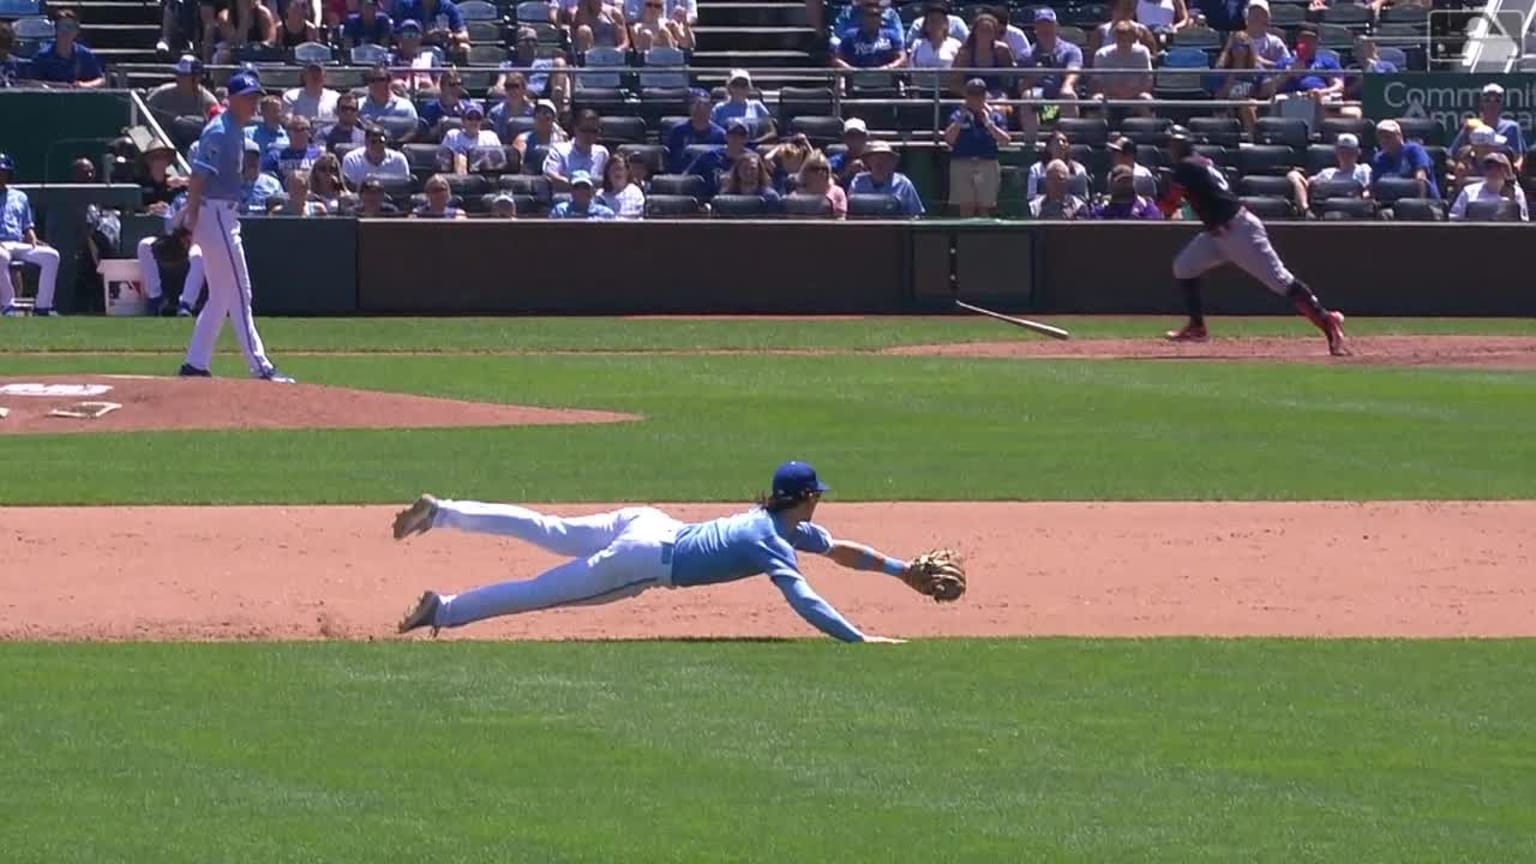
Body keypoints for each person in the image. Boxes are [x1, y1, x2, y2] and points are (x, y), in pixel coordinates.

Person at [392, 461, 909, 644]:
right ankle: (446, 609)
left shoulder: (778, 525)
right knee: (538, 594)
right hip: (643, 562)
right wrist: (858, 638)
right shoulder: (770, 540)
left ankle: (443, 512)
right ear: (808, 498)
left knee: (546, 527)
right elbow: (805, 601)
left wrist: (902, 571)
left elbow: (840, 551)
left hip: (646, 521)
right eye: (818, 493)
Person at [1159, 126, 1348, 356]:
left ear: (1184, 145)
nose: (1171, 148)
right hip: (1217, 234)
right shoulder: (1199, 163)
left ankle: (1327, 320)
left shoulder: (1186, 165)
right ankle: (1197, 327)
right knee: (1184, 267)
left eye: (1174, 144)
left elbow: (1169, 202)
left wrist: (1163, 202)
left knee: (1280, 281)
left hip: (1240, 231)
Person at [179, 71, 295, 382]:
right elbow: (198, 177)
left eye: (256, 97)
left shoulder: (236, 129)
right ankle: (260, 366)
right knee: (240, 294)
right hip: (215, 214)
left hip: (222, 214)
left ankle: (195, 363)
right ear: (232, 99)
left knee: (220, 295)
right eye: (248, 97)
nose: (254, 102)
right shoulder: (219, 131)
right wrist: (190, 221)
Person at [0, 154, 63, 317]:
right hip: (0, 245)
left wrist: (34, 241)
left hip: (18, 242)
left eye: (3, 172)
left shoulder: (20, 196)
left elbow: (27, 227)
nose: (1, 175)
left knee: (51, 255)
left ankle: (43, 306)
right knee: (1, 256)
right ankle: (8, 306)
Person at [943, 77, 1010, 217]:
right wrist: (961, 119)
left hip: (987, 162)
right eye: (972, 94)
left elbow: (1005, 140)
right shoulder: (957, 115)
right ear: (966, 96)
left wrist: (988, 123)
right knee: (965, 208)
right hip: (962, 162)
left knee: (984, 209)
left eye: (979, 94)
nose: (976, 98)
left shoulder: (994, 116)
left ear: (985, 95)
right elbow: (949, 139)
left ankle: (983, 238)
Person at [1017, 8, 1082, 120]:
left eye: (1049, 25)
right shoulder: (1026, 55)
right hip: (1039, 95)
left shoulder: (1071, 50)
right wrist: (1032, 78)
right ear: (1035, 29)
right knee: (1027, 96)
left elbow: (1074, 69)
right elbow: (1021, 86)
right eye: (1041, 25)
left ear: (1056, 27)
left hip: (1060, 93)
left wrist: (1067, 85)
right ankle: (1032, 137)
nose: (1045, 29)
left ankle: (1065, 136)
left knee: (1068, 95)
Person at [1447, 83, 1527, 171]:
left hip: (1502, 178)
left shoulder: (1512, 127)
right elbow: (1451, 157)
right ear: (1482, 102)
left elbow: (1519, 158)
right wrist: (1460, 171)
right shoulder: (1470, 126)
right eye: (1488, 100)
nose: (1492, 104)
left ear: (1502, 104)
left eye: (1497, 100)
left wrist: (1513, 171)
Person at [1285, 132, 1371, 213]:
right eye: (1342, 150)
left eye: (1350, 151)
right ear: (1336, 152)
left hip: (1353, 213)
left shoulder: (1363, 170)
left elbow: (1368, 191)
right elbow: (1308, 185)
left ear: (1358, 152)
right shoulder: (1327, 173)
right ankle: (1305, 213)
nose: (1345, 155)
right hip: (1326, 213)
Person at [1265, 23, 1343, 105]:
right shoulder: (1284, 62)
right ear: (1297, 40)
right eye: (1303, 39)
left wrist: (1321, 92)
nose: (1307, 43)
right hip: (1288, 98)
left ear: (1317, 42)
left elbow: (1338, 86)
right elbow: (1266, 90)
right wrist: (1287, 74)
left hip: (1320, 99)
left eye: (1311, 39)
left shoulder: (1326, 61)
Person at [1090, 19, 1154, 116]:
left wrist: (1131, 92)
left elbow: (1148, 81)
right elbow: (1096, 82)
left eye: (1128, 39)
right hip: (1109, 96)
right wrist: (1113, 92)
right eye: (1120, 39)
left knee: (1145, 98)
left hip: (1135, 96)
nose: (1124, 42)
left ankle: (1149, 129)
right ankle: (1100, 129)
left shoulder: (1143, 52)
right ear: (1115, 38)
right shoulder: (1102, 54)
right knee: (1097, 99)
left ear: (1134, 39)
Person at [29, 11, 106, 89]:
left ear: (77, 31)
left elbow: (100, 80)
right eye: (62, 27)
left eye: (70, 27)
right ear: (55, 30)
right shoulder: (43, 56)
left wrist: (83, 85)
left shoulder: (84, 54)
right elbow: (32, 83)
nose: (66, 32)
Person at [848, 140, 924, 217]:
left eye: (885, 158)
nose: (880, 161)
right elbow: (848, 211)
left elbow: (916, 214)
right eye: (875, 157)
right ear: (868, 161)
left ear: (892, 162)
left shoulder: (903, 183)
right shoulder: (857, 181)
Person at [543, 109, 610, 192]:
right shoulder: (559, 150)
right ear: (575, 129)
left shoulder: (602, 153)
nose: (589, 135)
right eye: (584, 130)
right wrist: (580, 189)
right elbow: (550, 175)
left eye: (593, 131)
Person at [1449, 152, 1528, 221]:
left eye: (1499, 168)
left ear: (1507, 172)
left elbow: (1524, 221)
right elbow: (1454, 218)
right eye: (1489, 167)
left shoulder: (1516, 192)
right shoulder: (1469, 191)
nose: (1493, 171)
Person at [1372, 119, 1439, 200]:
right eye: (1381, 137)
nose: (1384, 140)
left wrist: (1419, 204)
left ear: (1399, 136)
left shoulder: (1414, 150)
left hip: (1423, 202)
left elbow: (1421, 180)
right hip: (1390, 203)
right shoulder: (1378, 158)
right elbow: (1375, 185)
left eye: (1388, 136)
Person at [949, 12, 1013, 97]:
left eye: (989, 30)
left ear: (994, 33)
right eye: (982, 30)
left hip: (996, 96)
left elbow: (1010, 80)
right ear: (975, 32)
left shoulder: (1002, 51)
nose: (985, 34)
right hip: (970, 96)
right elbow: (954, 84)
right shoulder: (965, 54)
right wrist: (975, 96)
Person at [146, 55, 219, 127]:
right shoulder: (163, 93)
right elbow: (144, 113)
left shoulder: (208, 102)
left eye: (184, 76)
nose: (178, 78)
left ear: (197, 79)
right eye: (178, 74)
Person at [1213, 30, 1262, 137]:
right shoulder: (1222, 71)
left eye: (1242, 46)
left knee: (1247, 106)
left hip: (1250, 106)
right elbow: (1219, 96)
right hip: (1228, 105)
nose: (1239, 50)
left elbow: (1263, 93)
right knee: (1222, 111)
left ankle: (1254, 139)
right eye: (1235, 46)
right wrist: (1234, 72)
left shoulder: (1256, 70)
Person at [667, 90, 726, 173]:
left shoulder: (720, 135)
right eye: (695, 104)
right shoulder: (677, 131)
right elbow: (671, 159)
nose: (699, 108)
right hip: (681, 179)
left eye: (704, 104)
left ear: (710, 108)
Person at [438, 102, 506, 173]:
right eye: (470, 118)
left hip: (484, 176)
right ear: (463, 120)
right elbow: (442, 159)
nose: (474, 121)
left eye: (478, 118)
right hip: (456, 176)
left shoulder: (491, 137)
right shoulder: (452, 136)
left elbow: (502, 162)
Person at [710, 69, 776, 140]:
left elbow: (772, 132)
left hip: (752, 147)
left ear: (749, 88)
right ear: (729, 87)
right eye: (735, 84)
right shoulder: (719, 108)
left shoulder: (756, 106)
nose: (739, 88)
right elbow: (711, 131)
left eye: (743, 85)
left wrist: (755, 142)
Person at [261, 114, 323, 184]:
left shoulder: (319, 155)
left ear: (309, 132)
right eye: (295, 129)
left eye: (303, 129)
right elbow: (264, 179)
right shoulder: (275, 156)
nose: (299, 133)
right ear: (288, 132)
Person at [342, 125, 411, 188]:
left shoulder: (399, 159)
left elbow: (404, 186)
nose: (378, 145)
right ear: (366, 142)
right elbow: (350, 188)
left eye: (381, 141)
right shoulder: (351, 160)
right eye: (373, 141)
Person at [1025, 130, 1088, 197]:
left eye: (1064, 141)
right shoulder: (1036, 169)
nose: (1061, 144)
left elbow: (1084, 198)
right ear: (1048, 147)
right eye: (1057, 141)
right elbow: (1031, 196)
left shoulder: (1079, 169)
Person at [1090, 164, 1160, 219]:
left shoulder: (1146, 208)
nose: (1125, 184)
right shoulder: (1102, 210)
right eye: (1121, 181)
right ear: (1111, 183)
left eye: (1128, 181)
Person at [909, 2, 963, 73]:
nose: (935, 24)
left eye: (939, 20)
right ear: (926, 25)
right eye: (932, 20)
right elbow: (912, 68)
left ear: (946, 24)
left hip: (947, 82)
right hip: (921, 82)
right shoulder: (917, 45)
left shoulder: (956, 45)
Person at [238, 137, 284, 215]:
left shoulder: (273, 184)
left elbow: (281, 209)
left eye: (254, 157)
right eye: (247, 157)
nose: (251, 161)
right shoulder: (229, 184)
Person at [488, 72, 535, 144]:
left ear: (524, 89)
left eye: (515, 86)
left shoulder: (534, 111)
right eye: (508, 87)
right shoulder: (495, 112)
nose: (512, 91)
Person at [548, 170, 617, 218]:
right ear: (571, 191)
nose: (581, 191)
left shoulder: (605, 214)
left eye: (585, 187)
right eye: (577, 187)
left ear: (592, 190)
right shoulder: (560, 212)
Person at [797, 151, 847, 218]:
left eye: (824, 169)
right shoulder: (797, 194)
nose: (821, 172)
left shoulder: (837, 192)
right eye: (815, 169)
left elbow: (841, 221)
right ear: (806, 172)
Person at [829, 117, 869, 187]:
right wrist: (846, 172)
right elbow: (825, 184)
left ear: (865, 137)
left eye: (859, 136)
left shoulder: (873, 160)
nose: (855, 140)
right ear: (844, 138)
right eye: (851, 136)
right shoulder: (835, 162)